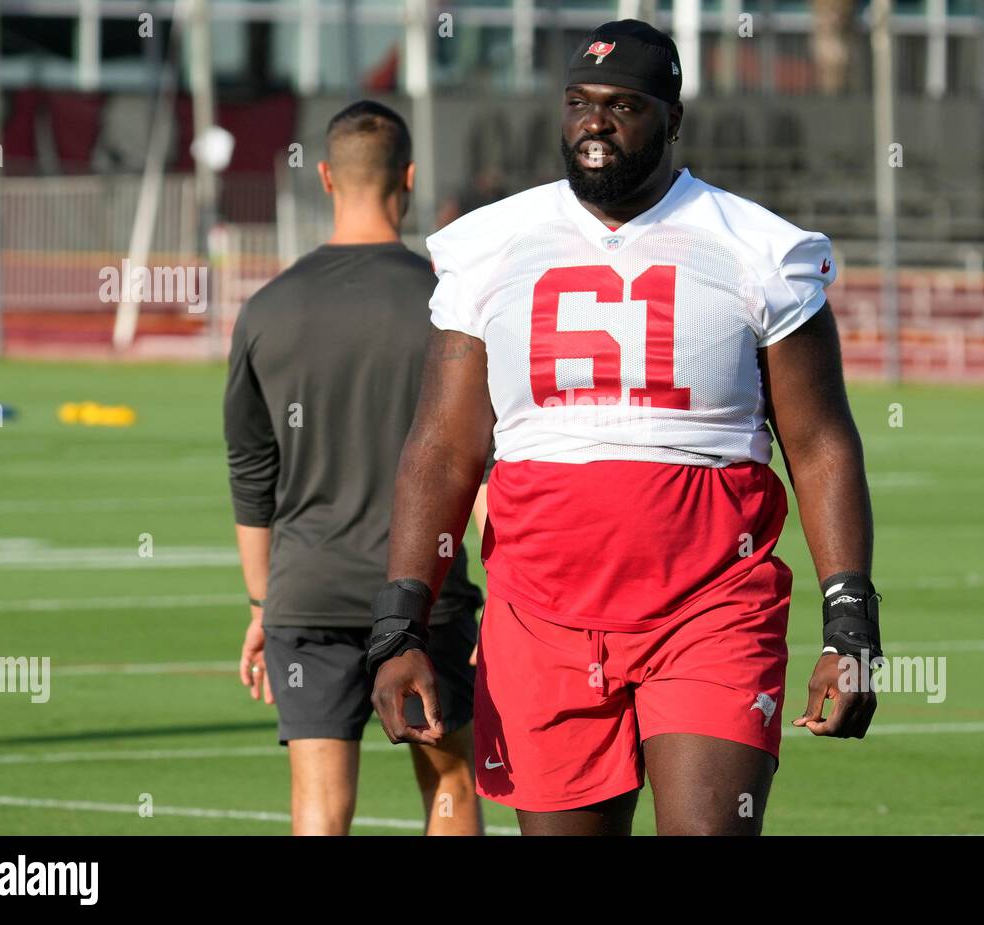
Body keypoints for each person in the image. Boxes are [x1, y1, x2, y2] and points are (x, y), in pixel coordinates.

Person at [365, 20, 881, 836]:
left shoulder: (758, 248)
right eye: (579, 102)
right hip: (542, 615)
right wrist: (399, 624)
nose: (594, 122)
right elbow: (444, 445)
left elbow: (819, 441)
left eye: (622, 105)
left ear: (673, 121)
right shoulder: (491, 245)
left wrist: (851, 621)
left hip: (711, 604)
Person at [224, 100, 487, 834]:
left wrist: (258, 602)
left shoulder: (267, 309)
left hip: (306, 593)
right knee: (450, 786)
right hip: (423, 593)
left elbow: (251, 472)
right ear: (409, 177)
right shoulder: (447, 304)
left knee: (318, 804)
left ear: (329, 180)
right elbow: (481, 463)